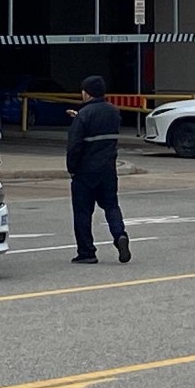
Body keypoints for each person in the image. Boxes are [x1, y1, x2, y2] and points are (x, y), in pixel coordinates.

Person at [66, 75, 130, 265]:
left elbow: (75, 145)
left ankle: (87, 252)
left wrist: (72, 168)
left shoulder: (84, 115)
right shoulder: (113, 112)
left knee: (83, 212)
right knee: (111, 206)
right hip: (108, 170)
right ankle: (120, 235)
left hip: (85, 172)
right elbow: (100, 130)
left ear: (86, 92)